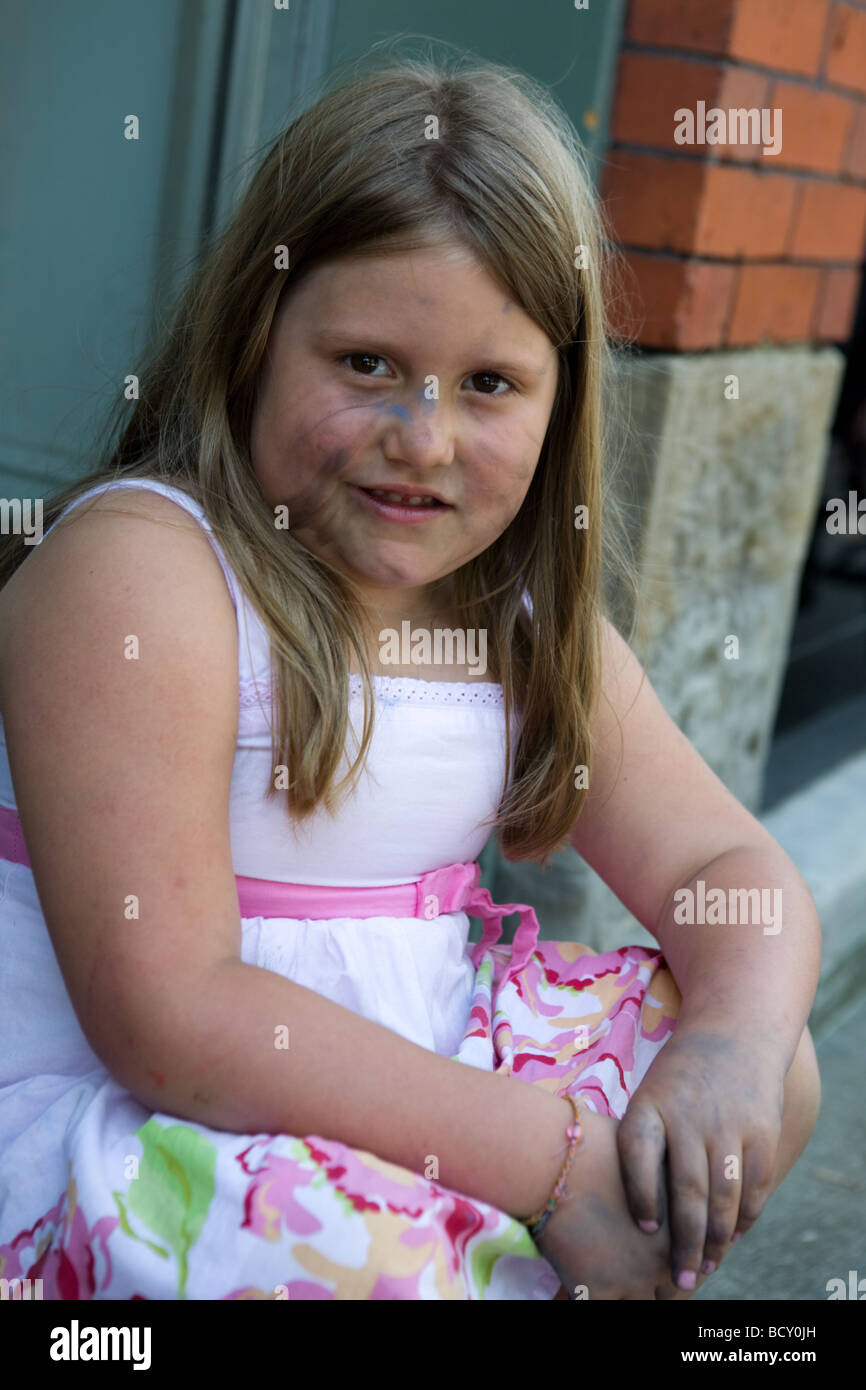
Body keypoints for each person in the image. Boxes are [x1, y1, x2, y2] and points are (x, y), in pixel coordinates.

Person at [0, 52, 820, 1301]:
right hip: (143, 1118)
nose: (422, 437)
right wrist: (552, 1166)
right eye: (367, 364)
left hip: (395, 1087)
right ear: (254, 341)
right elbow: (169, 1018)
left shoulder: (511, 620)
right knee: (351, 1254)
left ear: (559, 408)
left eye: (488, 384)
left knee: (758, 1073)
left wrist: (728, 1045)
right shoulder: (144, 573)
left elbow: (727, 873)